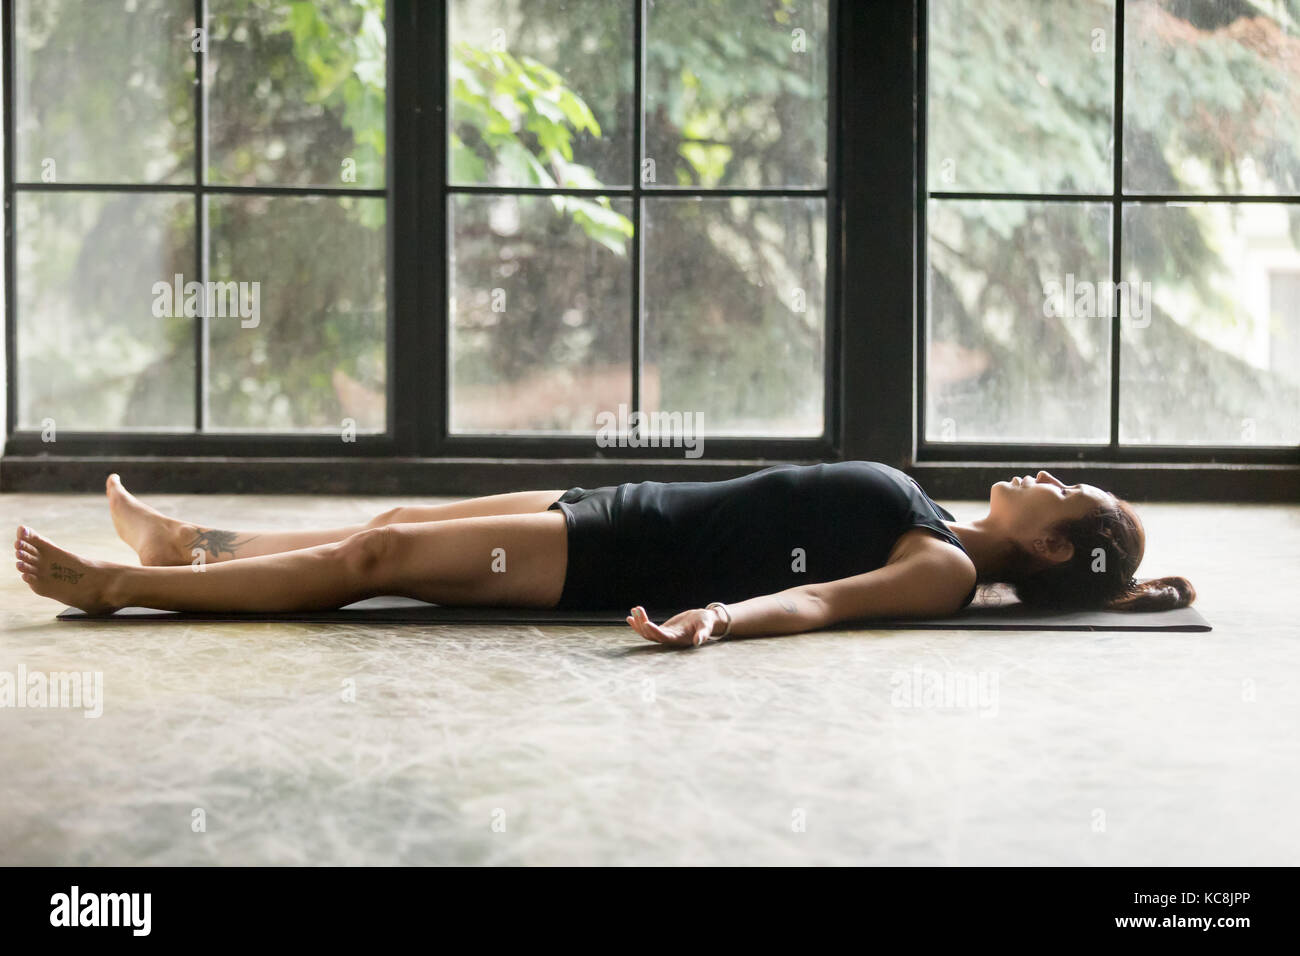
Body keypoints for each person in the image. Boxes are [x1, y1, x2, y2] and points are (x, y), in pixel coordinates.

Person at [14, 464, 1194, 647]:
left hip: (618, 558)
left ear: (1049, 540)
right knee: (380, 530)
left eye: (1062, 489)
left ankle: (125, 586)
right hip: (624, 503)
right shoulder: (940, 516)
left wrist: (718, 621)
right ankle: (192, 542)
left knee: (380, 551)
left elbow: (822, 600)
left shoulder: (937, 565)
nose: (1043, 472)